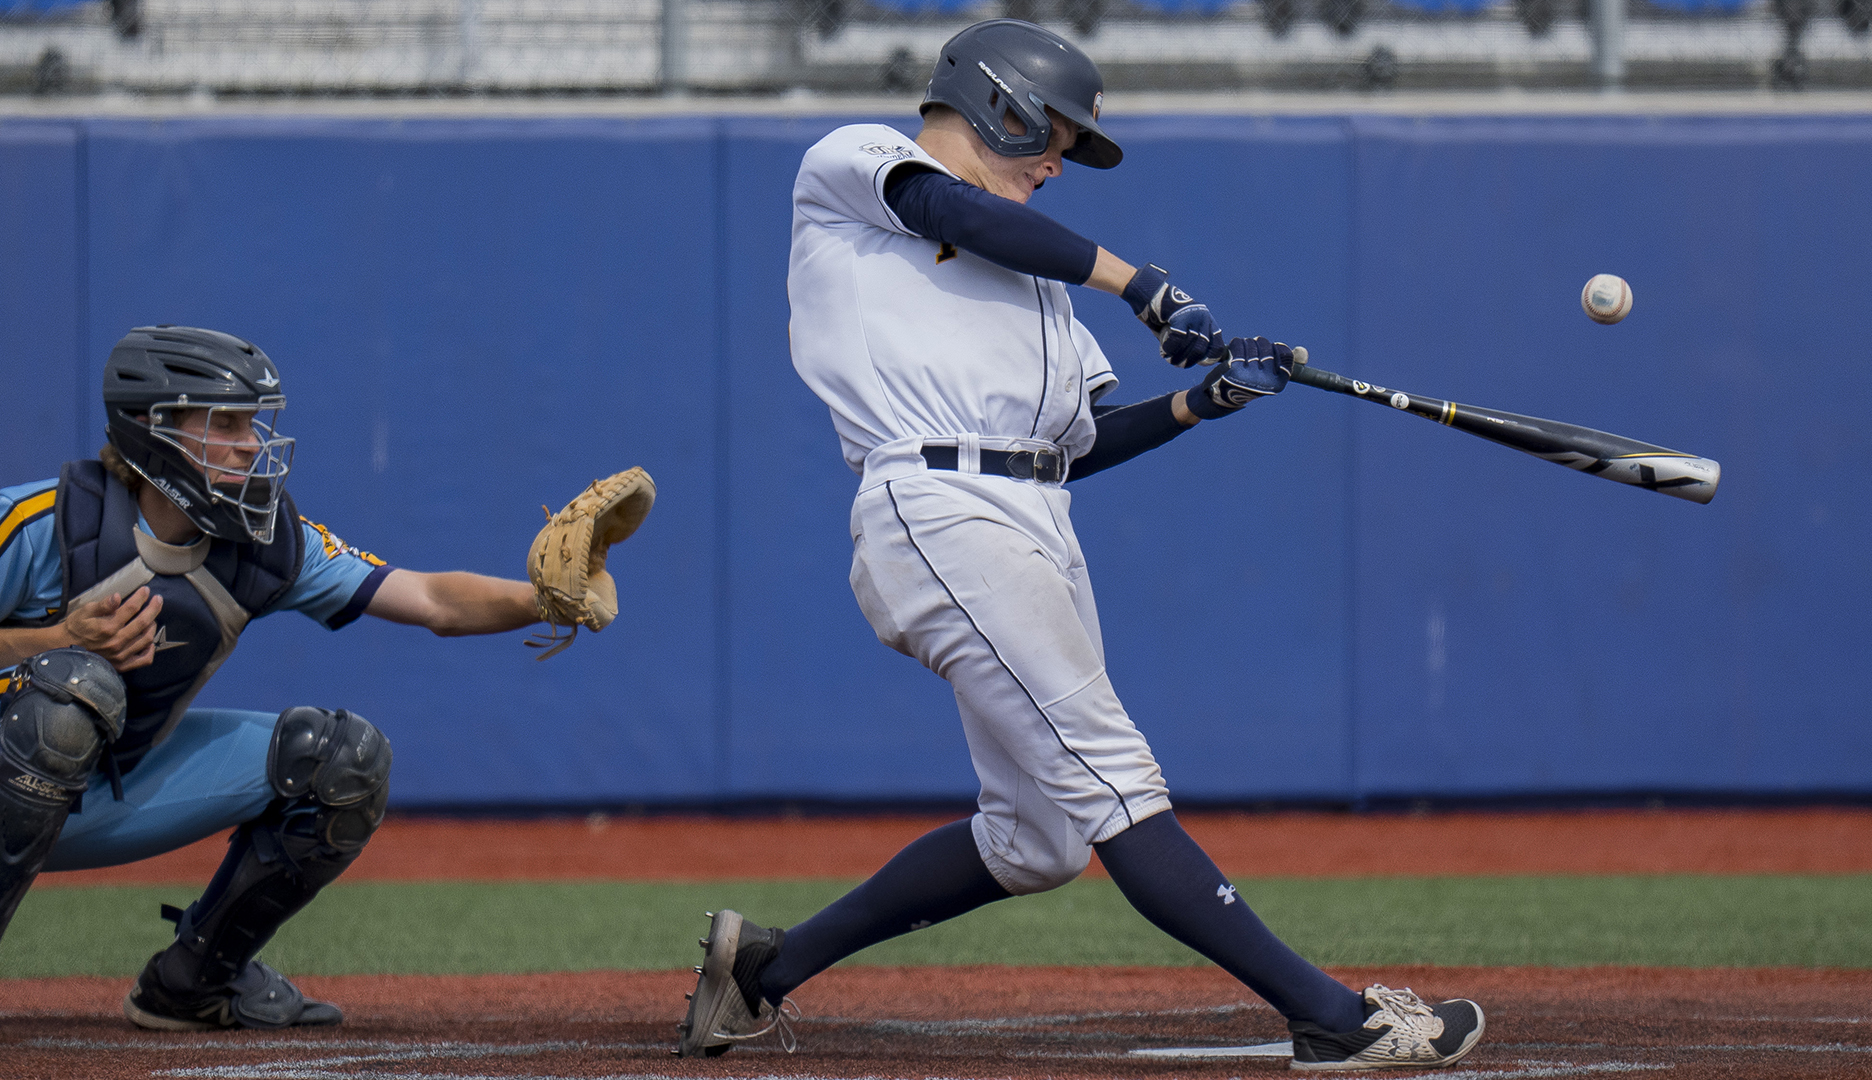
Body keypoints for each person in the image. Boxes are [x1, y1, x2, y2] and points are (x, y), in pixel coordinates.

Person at [675, 20, 1484, 1072]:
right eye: (1052, 138)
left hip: (1031, 518)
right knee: (1113, 773)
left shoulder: (1035, 284)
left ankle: (760, 971)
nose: (1057, 164)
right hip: (937, 507)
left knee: (1039, 839)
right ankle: (1332, 1017)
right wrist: (1143, 285)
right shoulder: (859, 162)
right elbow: (946, 208)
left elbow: (1078, 446)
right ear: (999, 103)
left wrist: (1204, 401)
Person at [0, 325, 544, 1031]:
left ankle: (192, 985)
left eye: (252, 423)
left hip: (103, 791)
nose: (250, 444)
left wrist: (548, 598)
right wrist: (56, 640)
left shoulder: (264, 542)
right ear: (150, 427)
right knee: (69, 695)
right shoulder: (43, 523)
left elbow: (433, 600)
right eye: (224, 424)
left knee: (341, 760)